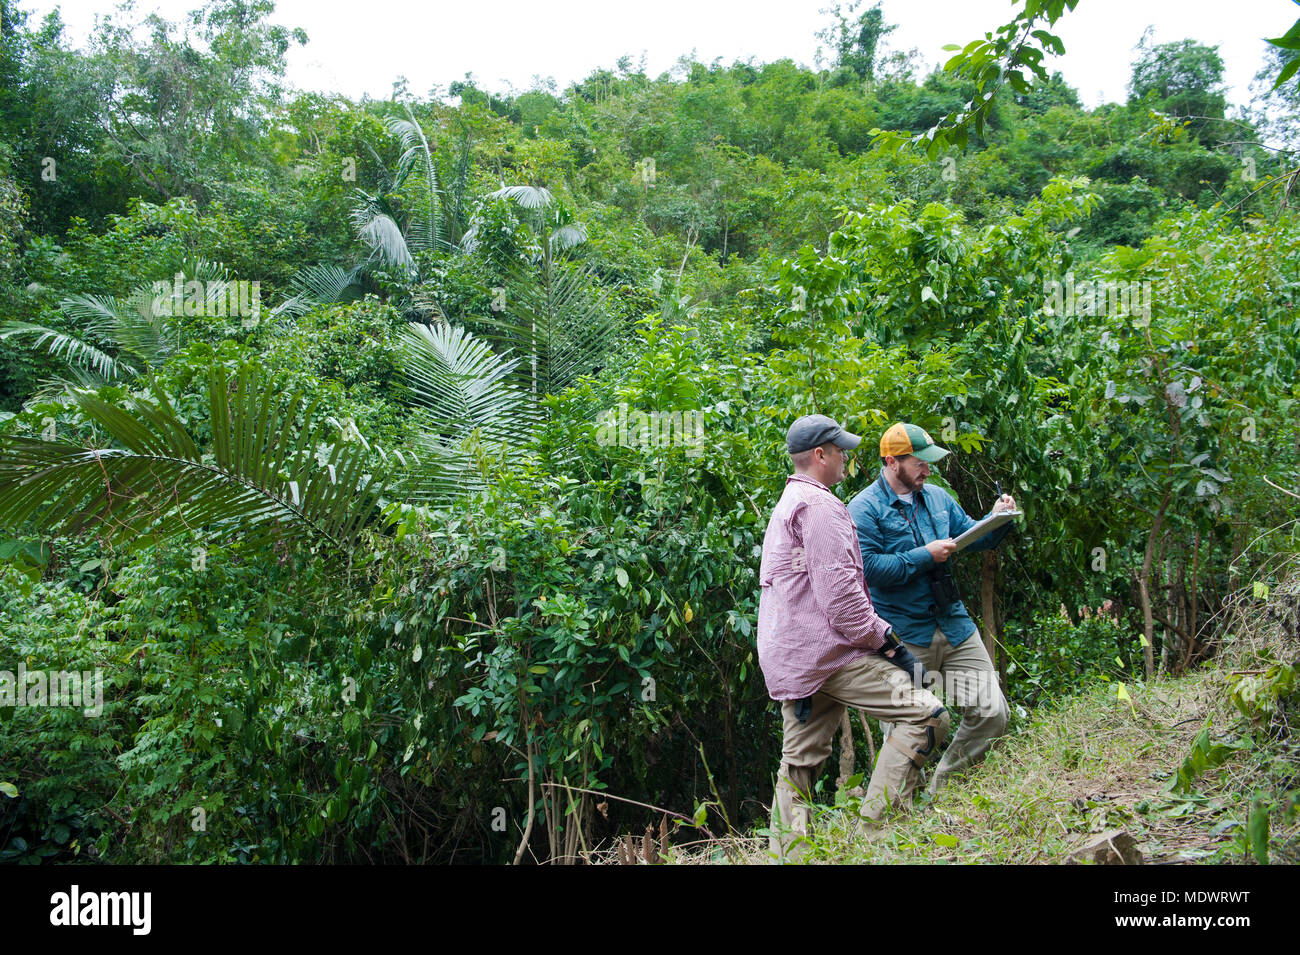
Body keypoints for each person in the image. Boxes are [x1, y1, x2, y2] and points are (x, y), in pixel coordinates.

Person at [757, 414, 950, 860]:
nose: (847, 457)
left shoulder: (788, 502)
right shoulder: (821, 507)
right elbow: (843, 604)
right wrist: (892, 646)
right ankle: (878, 837)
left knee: (799, 764)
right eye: (840, 449)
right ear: (820, 455)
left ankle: (788, 854)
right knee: (928, 715)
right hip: (826, 654)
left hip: (790, 657)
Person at [847, 422, 1018, 796]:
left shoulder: (938, 497)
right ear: (891, 462)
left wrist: (998, 518)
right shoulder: (863, 509)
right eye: (919, 463)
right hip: (905, 635)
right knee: (907, 732)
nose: (928, 470)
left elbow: (972, 537)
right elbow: (869, 570)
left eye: (929, 463)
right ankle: (894, 819)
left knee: (992, 713)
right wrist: (924, 556)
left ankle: (944, 792)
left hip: (953, 624)